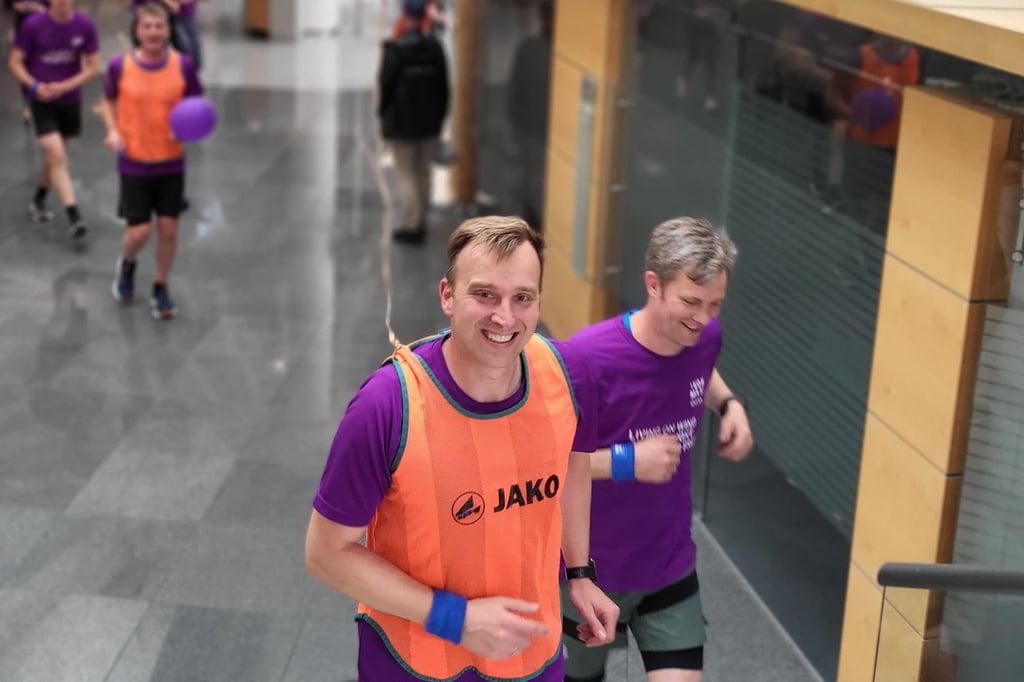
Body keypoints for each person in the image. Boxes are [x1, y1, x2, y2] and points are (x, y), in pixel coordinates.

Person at [305, 215, 619, 681]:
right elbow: (325, 554)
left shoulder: (570, 376)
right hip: (412, 662)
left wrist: (579, 573)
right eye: (485, 294)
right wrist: (458, 620)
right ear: (448, 296)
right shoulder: (387, 406)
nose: (505, 317)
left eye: (522, 298)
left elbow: (573, 464)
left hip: (532, 656)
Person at [561, 216, 754, 682]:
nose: (702, 318)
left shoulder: (705, 336)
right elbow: (545, 464)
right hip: (588, 569)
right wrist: (629, 461)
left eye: (714, 305)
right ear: (654, 284)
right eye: (690, 301)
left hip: (668, 564)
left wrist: (729, 405)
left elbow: (701, 371)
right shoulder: (585, 358)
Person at [99, 2, 203, 320]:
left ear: (168, 30)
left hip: (171, 162)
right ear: (137, 30)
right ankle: (128, 264)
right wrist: (113, 130)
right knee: (139, 231)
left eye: (160, 26)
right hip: (134, 161)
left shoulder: (183, 65)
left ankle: (160, 286)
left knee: (169, 228)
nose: (154, 32)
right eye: (147, 26)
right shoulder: (120, 66)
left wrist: (187, 129)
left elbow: (196, 104)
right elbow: (107, 100)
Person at [7, 0, 99, 240]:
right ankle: (74, 216)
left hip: (69, 100)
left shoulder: (85, 25)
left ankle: (39, 198)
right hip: (41, 100)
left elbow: (93, 67)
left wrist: (65, 86)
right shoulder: (33, 25)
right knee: (56, 153)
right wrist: (34, 86)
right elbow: (15, 62)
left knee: (54, 158)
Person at [377, 0, 449, 245]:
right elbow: (444, 89)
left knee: (405, 172)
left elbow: (385, 88)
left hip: (402, 123)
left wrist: (383, 117)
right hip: (428, 122)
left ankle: (411, 224)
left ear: (405, 16)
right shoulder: (435, 48)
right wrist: (440, 119)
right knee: (423, 171)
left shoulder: (396, 50)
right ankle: (423, 218)